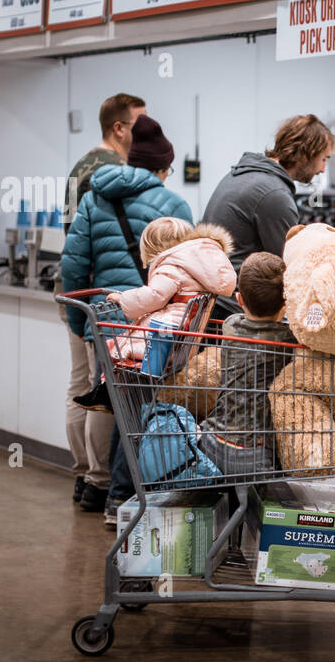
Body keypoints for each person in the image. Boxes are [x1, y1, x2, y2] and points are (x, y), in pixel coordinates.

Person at [60, 114, 192, 522]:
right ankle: (128, 495)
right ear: (162, 168)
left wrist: (80, 321)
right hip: (153, 327)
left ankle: (95, 486)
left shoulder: (93, 196)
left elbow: (73, 265)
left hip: (106, 317)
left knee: (103, 400)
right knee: (139, 410)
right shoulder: (173, 205)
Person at [61, 93, 147, 509]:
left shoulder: (79, 167)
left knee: (80, 387)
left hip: (75, 295)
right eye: (140, 125)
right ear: (120, 127)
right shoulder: (114, 173)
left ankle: (82, 474)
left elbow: (71, 245)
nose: (145, 134)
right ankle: (98, 481)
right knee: (103, 391)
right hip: (104, 300)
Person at [72, 217, 236, 410]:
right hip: (179, 336)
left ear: (152, 249)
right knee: (124, 344)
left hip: (164, 338)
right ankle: (106, 394)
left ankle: (107, 396)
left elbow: (152, 296)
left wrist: (123, 299)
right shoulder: (192, 269)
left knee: (119, 346)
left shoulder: (170, 268)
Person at [203, 114, 335, 317]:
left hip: (215, 299)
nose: (323, 169)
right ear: (306, 153)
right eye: (323, 159)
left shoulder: (245, 174)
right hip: (236, 310)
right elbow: (290, 265)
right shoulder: (273, 194)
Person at [196, 252, 298, 477]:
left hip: (213, 442)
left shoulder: (230, 326)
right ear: (285, 302)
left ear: (239, 299)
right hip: (257, 453)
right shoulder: (289, 340)